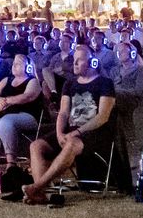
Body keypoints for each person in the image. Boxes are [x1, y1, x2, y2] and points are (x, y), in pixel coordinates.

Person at [23, 44, 116, 203]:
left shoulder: (105, 83)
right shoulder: (70, 83)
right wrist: (60, 133)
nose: (74, 63)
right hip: (71, 131)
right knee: (36, 146)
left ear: (92, 62)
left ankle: (37, 186)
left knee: (71, 143)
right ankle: (40, 195)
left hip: (96, 133)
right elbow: (64, 112)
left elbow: (103, 116)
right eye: (74, 60)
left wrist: (77, 132)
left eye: (79, 60)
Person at [0, 52, 45, 176]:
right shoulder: (6, 79)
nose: (14, 65)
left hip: (26, 115)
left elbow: (26, 97)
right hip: (3, 113)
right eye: (14, 63)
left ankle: (11, 163)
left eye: (18, 63)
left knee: (6, 122)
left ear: (28, 67)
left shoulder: (33, 81)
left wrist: (5, 101)